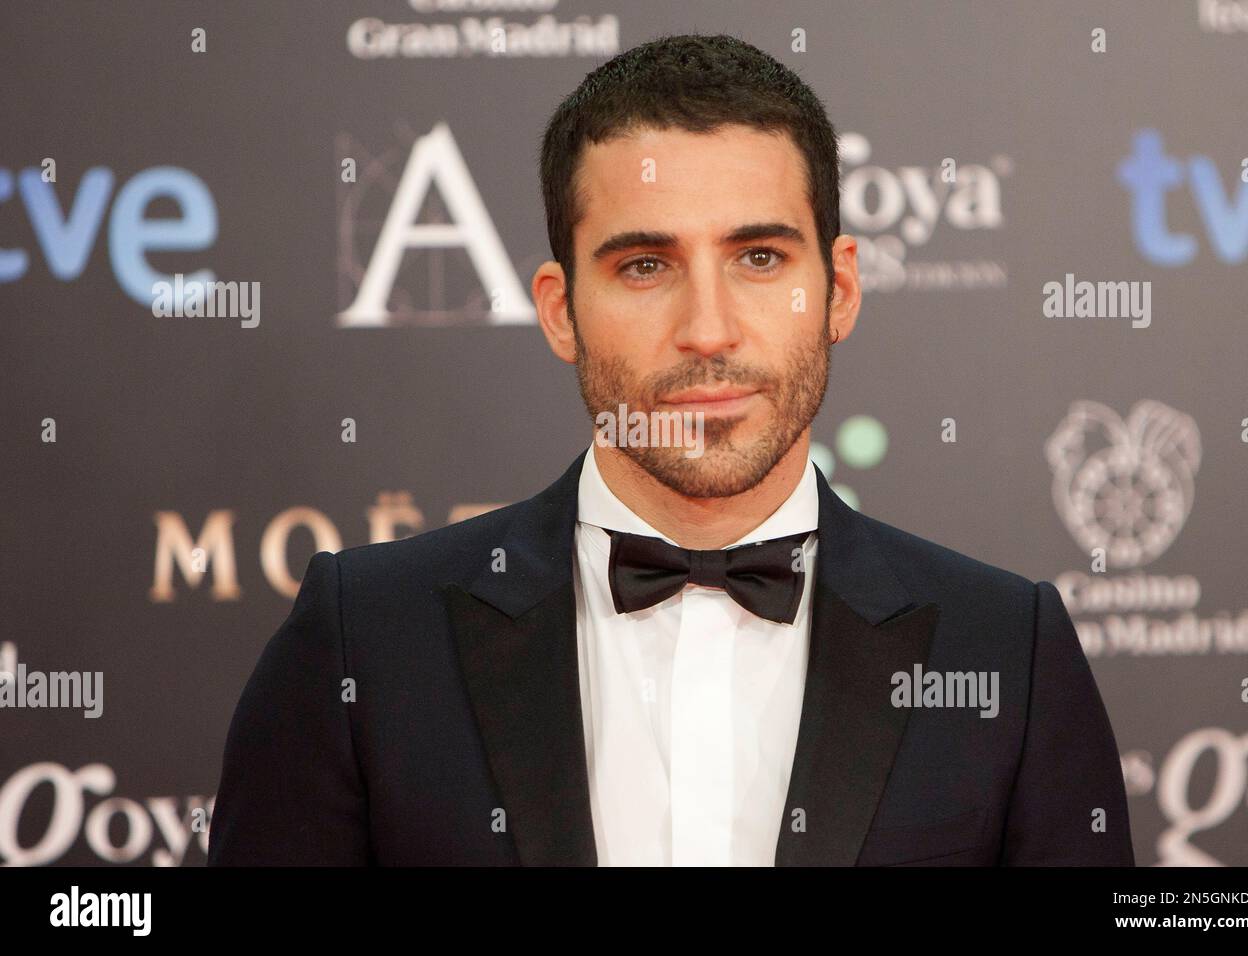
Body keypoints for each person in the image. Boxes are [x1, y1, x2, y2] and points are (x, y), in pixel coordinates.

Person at [209, 33, 1133, 866]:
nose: (708, 329)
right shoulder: (363, 641)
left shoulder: (1008, 650)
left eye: (760, 258)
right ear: (560, 310)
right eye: (645, 266)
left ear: (841, 288)